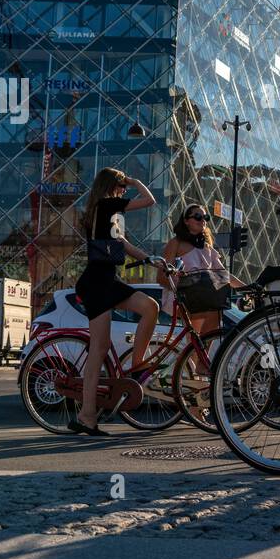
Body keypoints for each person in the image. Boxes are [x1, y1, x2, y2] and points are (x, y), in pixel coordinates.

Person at [70, 167, 158, 436]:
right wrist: (134, 180)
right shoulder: (108, 203)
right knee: (99, 348)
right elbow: (150, 200)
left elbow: (122, 244)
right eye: (122, 185)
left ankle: (137, 363)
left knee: (150, 307)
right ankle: (86, 416)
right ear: (113, 185)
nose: (125, 189)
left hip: (107, 280)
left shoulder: (107, 210)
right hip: (98, 282)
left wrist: (150, 259)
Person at [158, 204, 243, 336]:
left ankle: (198, 354)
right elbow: (161, 277)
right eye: (198, 216)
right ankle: (192, 353)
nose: (202, 220)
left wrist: (246, 287)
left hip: (204, 298)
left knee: (214, 321)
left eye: (205, 217)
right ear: (186, 221)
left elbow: (224, 275)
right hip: (182, 296)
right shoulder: (175, 243)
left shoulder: (207, 248)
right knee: (197, 334)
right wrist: (181, 285)